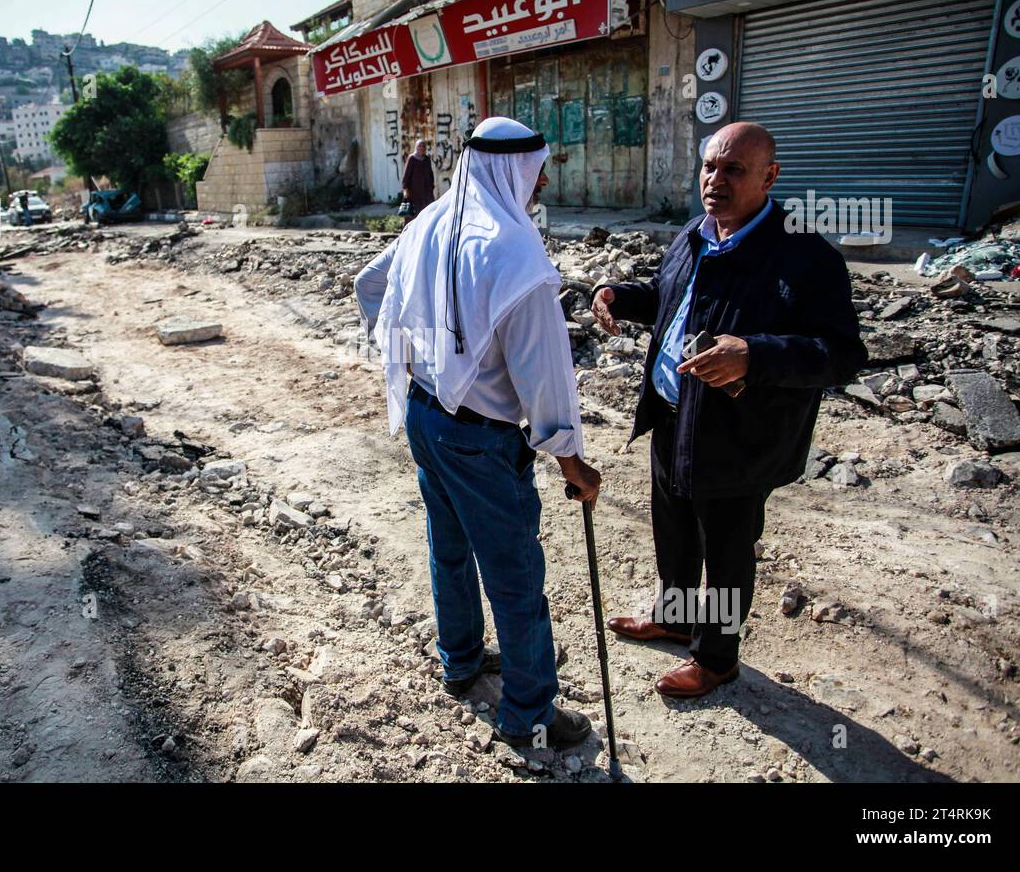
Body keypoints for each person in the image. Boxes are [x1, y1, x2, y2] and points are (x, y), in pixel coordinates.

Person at [590, 121, 865, 699]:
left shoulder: (804, 256)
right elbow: (671, 300)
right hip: (672, 417)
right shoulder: (695, 233)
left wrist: (754, 355)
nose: (715, 180)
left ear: (770, 176)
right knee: (675, 532)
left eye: (733, 169)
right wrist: (620, 294)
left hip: (740, 438)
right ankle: (678, 616)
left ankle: (717, 659)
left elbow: (840, 354)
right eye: (709, 167)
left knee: (727, 550)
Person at [356, 116, 601, 750]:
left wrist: (417, 357)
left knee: (449, 547)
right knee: (514, 574)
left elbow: (370, 286)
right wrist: (572, 462)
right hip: (480, 439)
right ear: (510, 169)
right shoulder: (518, 256)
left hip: (425, 416)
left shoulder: (430, 222)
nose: (542, 177)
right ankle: (530, 715)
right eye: (536, 167)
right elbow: (545, 380)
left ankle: (460, 660)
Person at [400, 139, 434, 217]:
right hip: (414, 192)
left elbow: (430, 173)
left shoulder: (426, 159)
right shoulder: (411, 158)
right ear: (416, 147)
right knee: (415, 213)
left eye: (423, 146)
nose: (421, 148)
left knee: (429, 212)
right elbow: (406, 175)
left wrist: (431, 186)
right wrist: (405, 189)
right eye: (419, 146)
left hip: (427, 192)